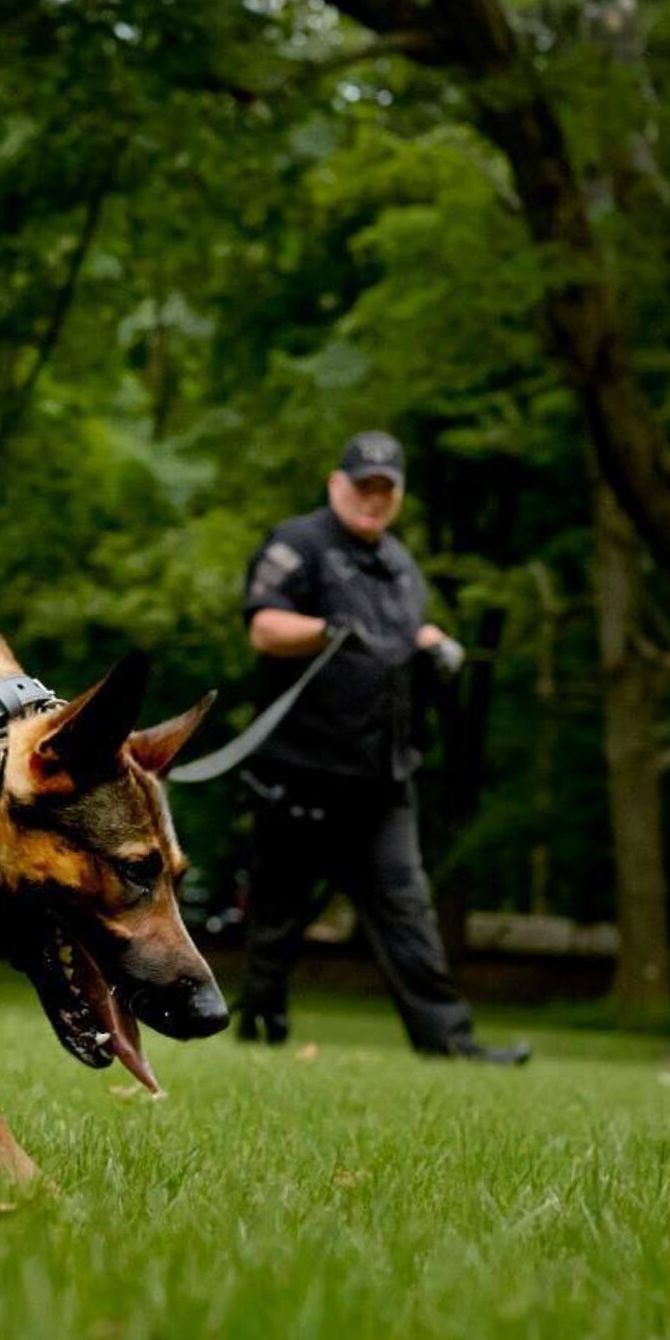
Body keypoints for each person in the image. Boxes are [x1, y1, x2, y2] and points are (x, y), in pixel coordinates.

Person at [236, 431, 530, 1064]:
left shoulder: (400, 565)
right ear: (336, 485)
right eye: (363, 487)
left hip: (382, 775)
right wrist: (325, 630)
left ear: (398, 497)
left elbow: (402, 632)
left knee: (407, 906)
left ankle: (449, 1040)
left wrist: (432, 643)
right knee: (280, 911)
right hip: (303, 769)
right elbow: (264, 626)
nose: (373, 500)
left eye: (385, 490)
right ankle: (261, 1022)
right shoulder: (298, 544)